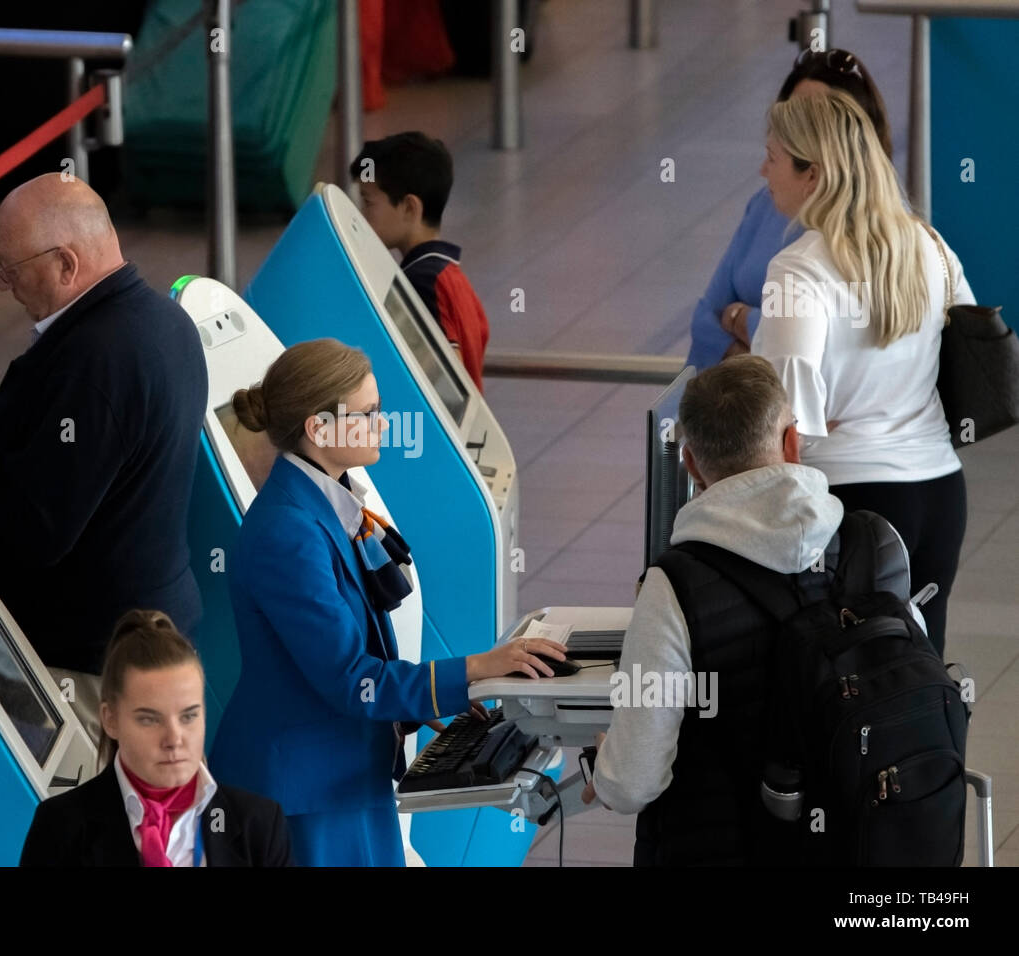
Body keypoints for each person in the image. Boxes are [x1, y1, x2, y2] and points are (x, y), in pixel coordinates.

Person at [208, 338, 566, 866]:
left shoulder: (327, 502)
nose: (383, 425)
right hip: (303, 795)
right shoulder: (288, 532)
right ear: (319, 428)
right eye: (370, 413)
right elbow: (350, 677)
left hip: (338, 773)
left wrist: (417, 705)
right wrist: (476, 668)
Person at [0, 174, 207, 742]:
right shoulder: (161, 320)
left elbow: (39, 529)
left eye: (9, 268)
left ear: (65, 263)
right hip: (137, 625)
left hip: (81, 663)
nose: (3, 284)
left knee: (77, 819)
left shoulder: (94, 359)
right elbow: (91, 460)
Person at [582, 356, 923, 865]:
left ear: (692, 464)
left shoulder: (673, 586)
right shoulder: (874, 545)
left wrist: (602, 769)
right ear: (792, 442)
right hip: (860, 846)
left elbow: (633, 782)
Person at [751, 89, 971, 656]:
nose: (763, 170)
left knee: (850, 689)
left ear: (813, 174)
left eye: (773, 156)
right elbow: (966, 344)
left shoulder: (798, 269)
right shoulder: (929, 245)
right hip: (938, 490)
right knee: (920, 678)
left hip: (854, 501)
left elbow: (783, 417)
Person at [20, 610, 294, 867]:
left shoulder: (259, 826)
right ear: (110, 719)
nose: (174, 739)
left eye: (188, 716)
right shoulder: (61, 827)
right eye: (149, 719)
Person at [687, 49, 894, 369]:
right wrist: (759, 355)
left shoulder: (883, 227)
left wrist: (742, 318)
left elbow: (841, 347)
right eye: (798, 118)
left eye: (819, 122)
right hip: (737, 404)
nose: (804, 131)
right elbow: (706, 317)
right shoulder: (764, 205)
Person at [351, 132, 491, 390]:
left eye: (368, 202)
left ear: (409, 208)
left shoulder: (422, 282)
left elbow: (448, 381)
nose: (361, 215)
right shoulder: (453, 276)